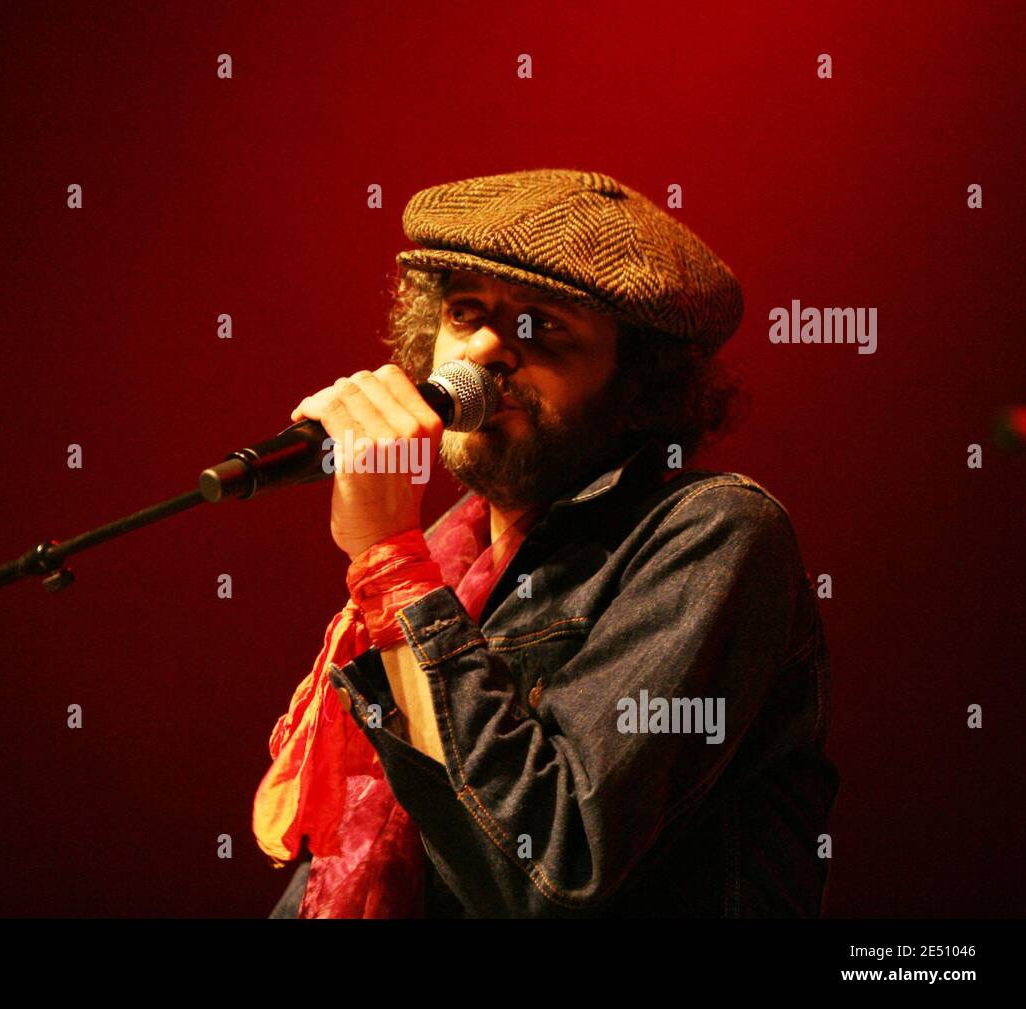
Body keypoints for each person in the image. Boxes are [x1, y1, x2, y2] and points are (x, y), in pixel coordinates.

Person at [254, 168, 838, 917]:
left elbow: (551, 872)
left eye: (544, 325)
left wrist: (389, 565)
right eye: (466, 313)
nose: (485, 351)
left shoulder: (714, 531)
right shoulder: (447, 562)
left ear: (639, 379)